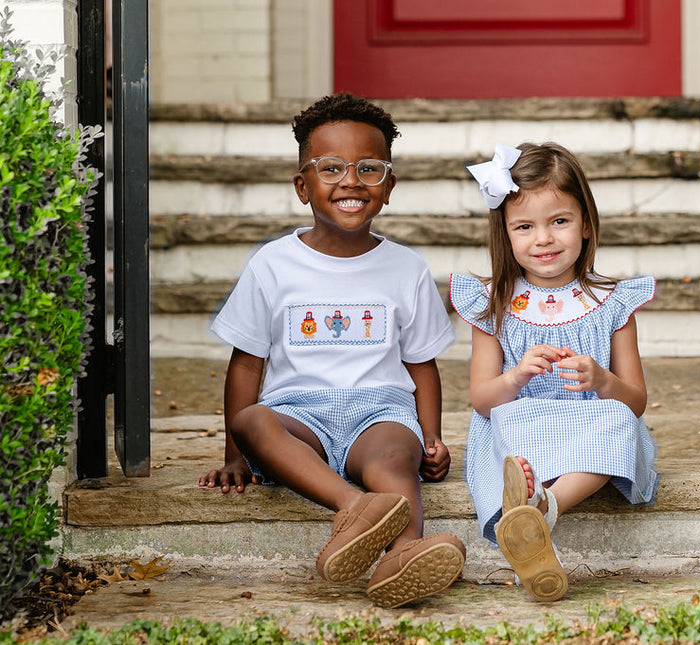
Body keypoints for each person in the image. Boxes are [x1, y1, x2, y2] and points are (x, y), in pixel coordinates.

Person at [199, 93, 465, 608]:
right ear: (303, 185)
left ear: (388, 186)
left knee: (393, 459)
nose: (351, 181)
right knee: (253, 421)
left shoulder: (406, 268)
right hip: (299, 415)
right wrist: (236, 456)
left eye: (369, 168)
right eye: (332, 168)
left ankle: (405, 553)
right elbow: (246, 364)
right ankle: (354, 509)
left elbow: (421, 365)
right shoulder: (273, 265)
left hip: (380, 410)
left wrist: (429, 436)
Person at [450, 142, 659, 602]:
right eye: (524, 226)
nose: (543, 239)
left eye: (558, 221)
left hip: (592, 428)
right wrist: (516, 377)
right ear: (505, 234)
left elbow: (637, 401)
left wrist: (603, 381)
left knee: (622, 420)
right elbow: (483, 399)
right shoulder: (494, 306)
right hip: (524, 423)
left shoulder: (611, 304)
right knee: (507, 417)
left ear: (585, 223)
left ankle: (543, 510)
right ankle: (534, 523)